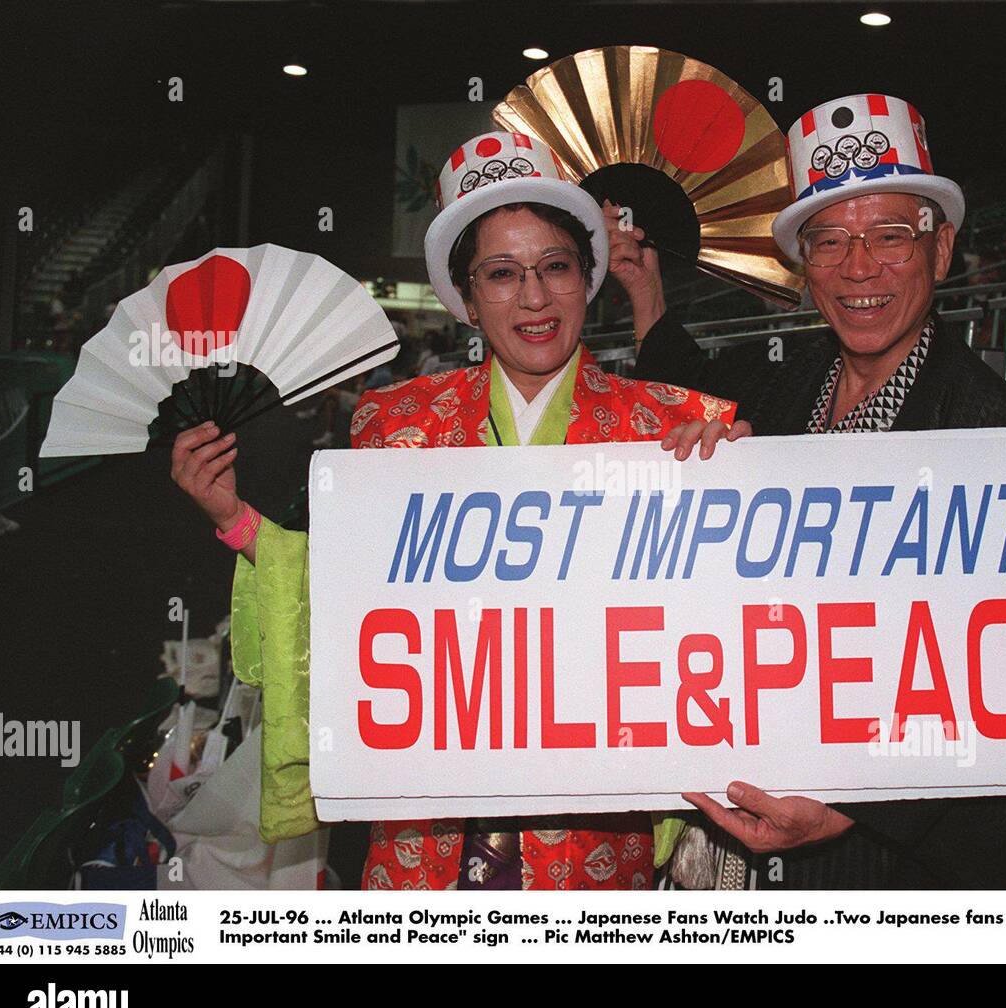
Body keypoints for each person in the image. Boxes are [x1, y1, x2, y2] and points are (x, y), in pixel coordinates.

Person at [171, 131, 749, 891]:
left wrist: (732, 492)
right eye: (502, 275)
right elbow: (345, 599)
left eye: (556, 268)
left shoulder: (669, 426)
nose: (534, 298)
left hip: (591, 838)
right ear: (468, 299)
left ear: (588, 278)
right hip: (428, 827)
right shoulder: (394, 425)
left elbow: (726, 633)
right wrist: (236, 516)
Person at [628, 93, 1006, 890]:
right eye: (830, 242)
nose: (860, 268)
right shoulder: (784, 396)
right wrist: (712, 478)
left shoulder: (991, 429)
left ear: (942, 247)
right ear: (802, 262)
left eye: (892, 236)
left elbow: (1005, 687)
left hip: (879, 869)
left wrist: (859, 803)